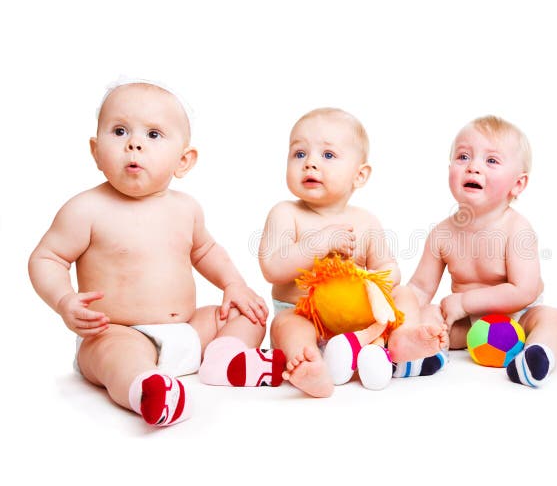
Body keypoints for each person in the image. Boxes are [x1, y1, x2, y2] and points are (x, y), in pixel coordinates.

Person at [28, 79, 281, 428]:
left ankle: (226, 358)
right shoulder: (86, 209)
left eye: (153, 135)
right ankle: (145, 388)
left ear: (184, 160)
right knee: (113, 356)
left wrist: (234, 285)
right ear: (95, 151)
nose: (134, 144)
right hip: (117, 331)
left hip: (188, 328)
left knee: (248, 313)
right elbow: (47, 258)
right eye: (119, 131)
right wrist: (63, 301)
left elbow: (206, 250)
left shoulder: (186, 208)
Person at [258, 107, 447, 397]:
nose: (310, 164)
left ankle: (401, 341)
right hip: (307, 319)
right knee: (285, 325)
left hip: (361, 324)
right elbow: (272, 267)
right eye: (299, 154)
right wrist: (318, 244)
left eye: (328, 155)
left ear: (359, 175)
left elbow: (390, 267)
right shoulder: (286, 213)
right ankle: (310, 365)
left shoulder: (366, 221)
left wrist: (375, 278)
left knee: (404, 294)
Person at [407, 116, 557, 387]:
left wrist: (464, 301)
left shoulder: (516, 230)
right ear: (449, 169)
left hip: (520, 319)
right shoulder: (442, 234)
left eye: (491, 161)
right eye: (463, 157)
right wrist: (400, 310)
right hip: (469, 326)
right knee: (427, 316)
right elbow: (421, 288)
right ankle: (425, 357)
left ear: (517, 184)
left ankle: (537, 356)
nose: (473, 168)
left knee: (556, 319)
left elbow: (523, 290)